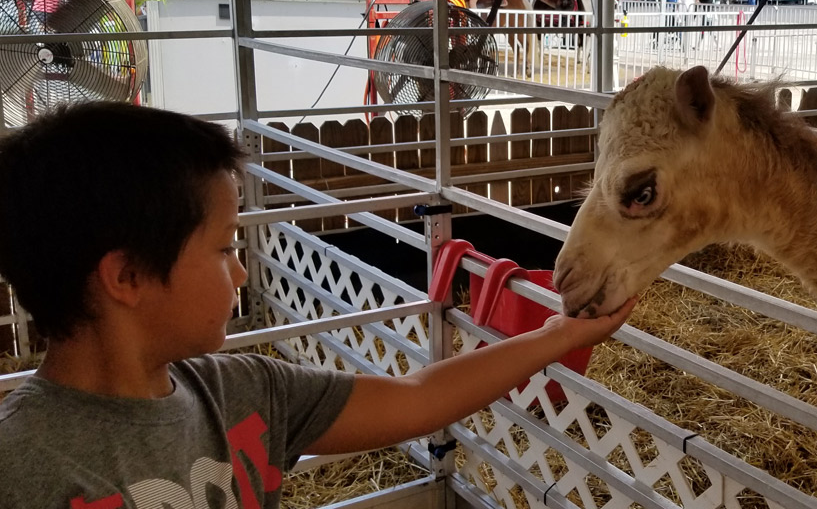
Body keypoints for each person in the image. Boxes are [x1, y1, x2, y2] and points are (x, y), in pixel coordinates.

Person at [0, 102, 633, 508]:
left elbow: (416, 399)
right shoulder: (23, 467)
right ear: (128, 276)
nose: (241, 269)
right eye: (223, 249)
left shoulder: (244, 393)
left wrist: (557, 336)